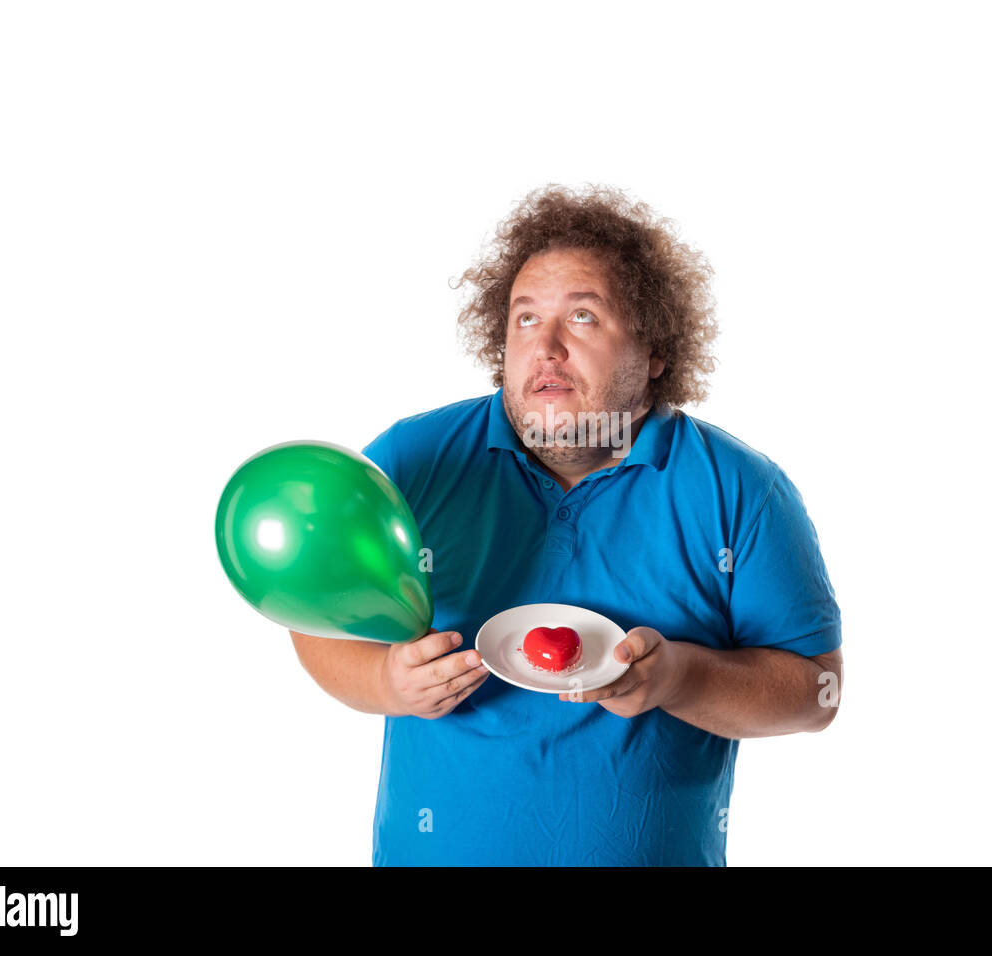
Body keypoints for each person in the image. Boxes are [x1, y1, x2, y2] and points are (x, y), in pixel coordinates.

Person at [290, 184, 843, 866]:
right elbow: (316, 616)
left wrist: (680, 680)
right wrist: (387, 683)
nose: (545, 346)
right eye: (524, 319)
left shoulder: (742, 489)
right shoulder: (411, 461)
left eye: (582, 317)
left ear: (655, 351)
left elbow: (817, 693)